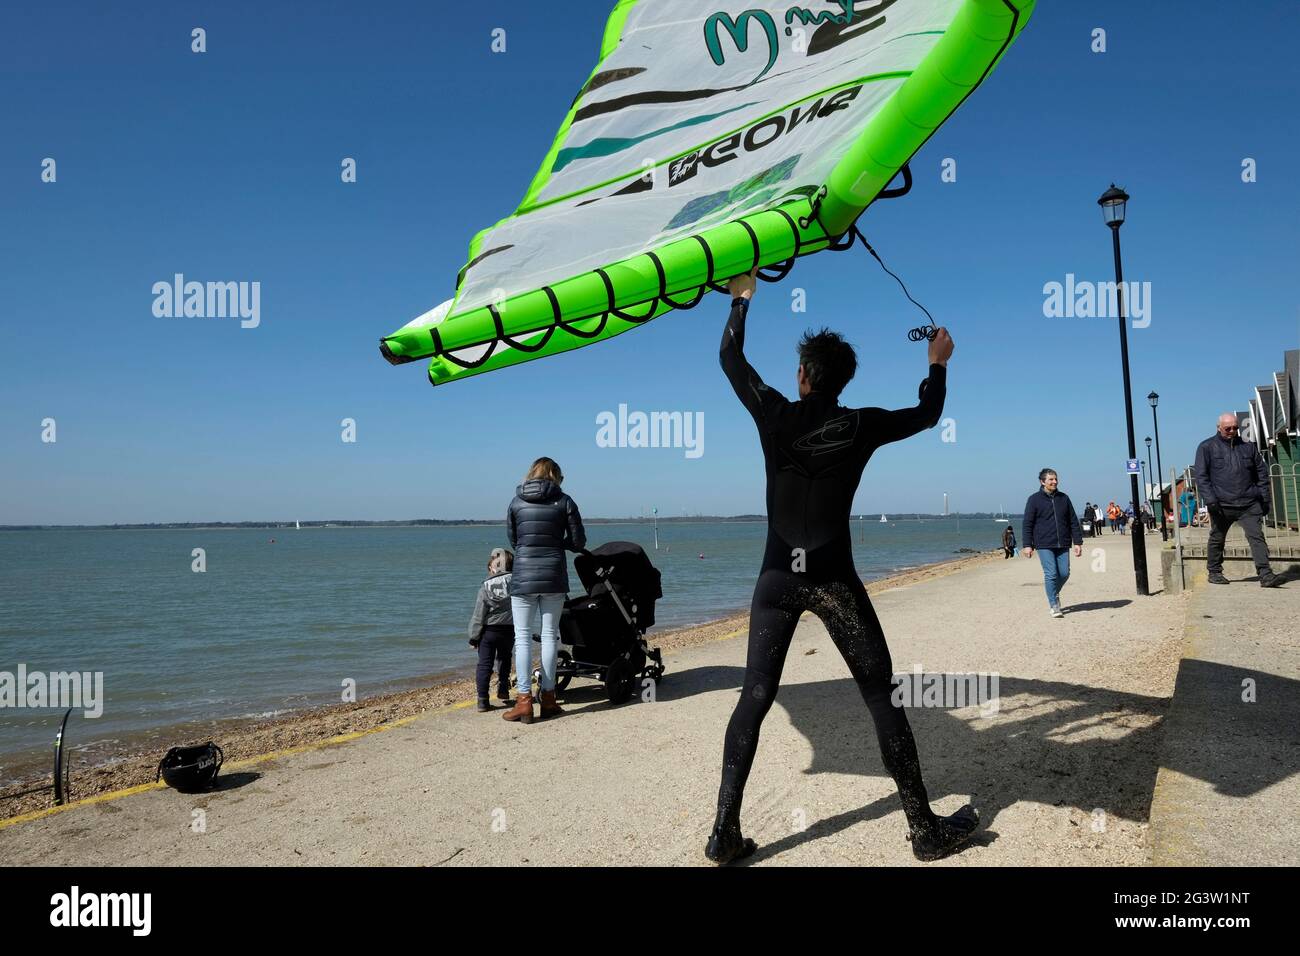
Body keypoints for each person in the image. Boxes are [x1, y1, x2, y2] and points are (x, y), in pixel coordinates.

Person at [706, 270, 977, 865]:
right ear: (843, 379)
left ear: (802, 376)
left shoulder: (773, 414)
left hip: (775, 581)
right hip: (833, 582)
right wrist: (937, 361)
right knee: (881, 698)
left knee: (754, 696)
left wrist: (741, 298)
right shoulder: (861, 424)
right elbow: (927, 414)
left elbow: (729, 356)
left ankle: (724, 832)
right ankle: (922, 830)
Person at [501, 457, 587, 723]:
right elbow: (577, 541)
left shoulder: (516, 501)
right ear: (556, 476)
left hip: (524, 575)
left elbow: (514, 540)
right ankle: (548, 699)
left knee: (522, 638)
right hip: (553, 576)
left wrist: (529, 548)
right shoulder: (564, 501)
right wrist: (556, 543)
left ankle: (524, 701)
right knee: (550, 637)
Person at [1193, 413, 1283, 587]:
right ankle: (1214, 571)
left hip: (1249, 503)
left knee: (1257, 537)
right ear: (1219, 428)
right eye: (1228, 428)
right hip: (1221, 504)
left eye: (1235, 428)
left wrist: (1264, 499)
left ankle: (1266, 574)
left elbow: (1262, 474)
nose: (1232, 431)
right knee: (1217, 538)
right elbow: (1202, 477)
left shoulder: (1248, 447)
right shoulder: (1206, 447)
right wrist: (1211, 501)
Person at [1021, 469, 1084, 618]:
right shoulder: (1034, 499)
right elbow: (1027, 523)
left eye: (1055, 479)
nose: (1055, 482)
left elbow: (1073, 521)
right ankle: (1054, 605)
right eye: (1051, 480)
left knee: (1064, 573)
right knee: (1051, 574)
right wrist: (1027, 544)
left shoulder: (1064, 498)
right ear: (1042, 482)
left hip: (1063, 542)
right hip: (1044, 543)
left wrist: (1078, 542)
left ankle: (1053, 593)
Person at [467, 548, 515, 712]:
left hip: (489, 632)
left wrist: (474, 637)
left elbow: (478, 615)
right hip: (509, 629)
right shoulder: (517, 582)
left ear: (493, 569)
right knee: (505, 658)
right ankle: (503, 687)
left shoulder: (485, 587)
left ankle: (482, 700)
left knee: (484, 665)